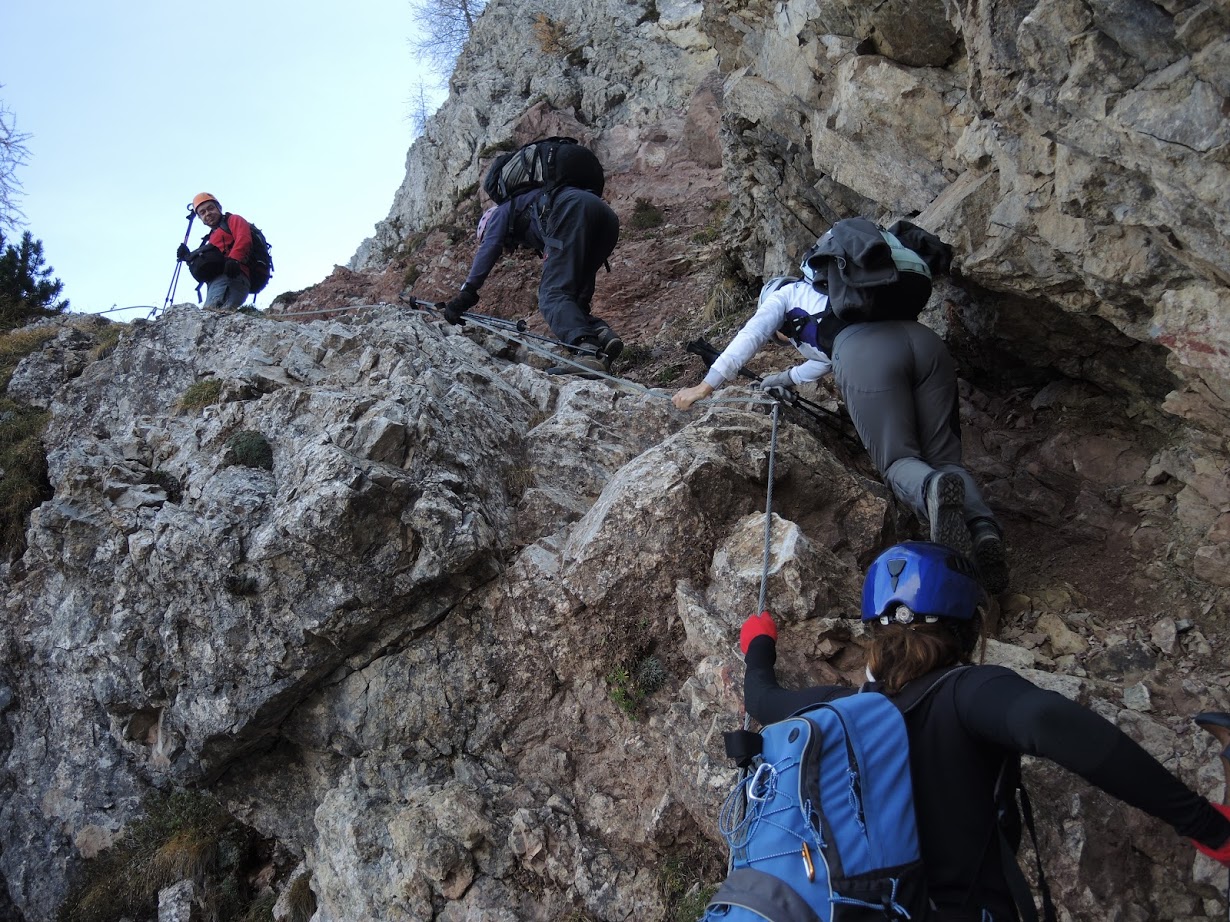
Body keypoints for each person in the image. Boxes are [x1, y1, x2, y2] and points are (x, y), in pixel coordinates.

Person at [737, 541, 1230, 921]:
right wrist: (1205, 825)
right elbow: (1043, 720)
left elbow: (761, 700)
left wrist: (759, 643)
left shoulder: (844, 709)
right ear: (968, 628)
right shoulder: (967, 691)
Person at [672, 244, 1009, 594]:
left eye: (781, 337)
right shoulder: (843, 295)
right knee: (944, 460)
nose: (784, 340)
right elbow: (821, 361)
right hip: (926, 344)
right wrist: (784, 378)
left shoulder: (782, 295)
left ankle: (930, 491)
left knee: (899, 461)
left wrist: (704, 386)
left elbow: (752, 334)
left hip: (867, 355)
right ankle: (984, 531)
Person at [436, 185, 623, 376]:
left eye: (507, 244)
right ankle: (602, 336)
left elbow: (489, 247)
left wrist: (467, 292)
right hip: (604, 216)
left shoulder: (499, 213)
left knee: (551, 294)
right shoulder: (533, 203)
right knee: (572, 300)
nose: (510, 249)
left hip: (572, 210)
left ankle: (587, 353)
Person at [176, 193, 253, 310]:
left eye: (210, 208)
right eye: (202, 212)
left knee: (213, 315)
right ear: (200, 218)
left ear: (219, 208)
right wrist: (188, 257)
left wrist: (234, 259)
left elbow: (244, 238)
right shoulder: (212, 237)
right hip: (218, 281)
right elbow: (211, 259)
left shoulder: (233, 219)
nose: (208, 213)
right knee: (213, 316)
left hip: (232, 276)